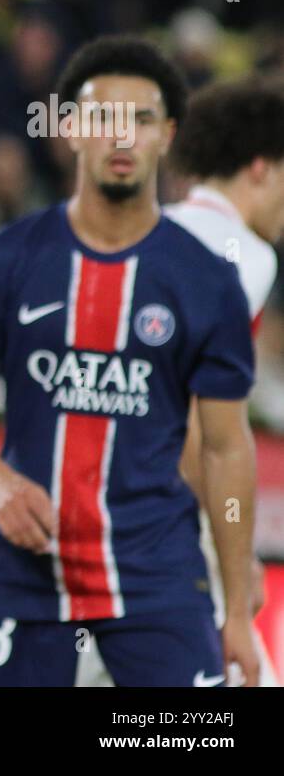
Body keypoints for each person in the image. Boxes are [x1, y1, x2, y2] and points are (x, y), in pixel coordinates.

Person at [0, 35, 260, 687]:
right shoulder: (7, 259)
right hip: (22, 575)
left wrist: (236, 609)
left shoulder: (207, 279)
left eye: (142, 119)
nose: (123, 137)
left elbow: (227, 449)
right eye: (101, 117)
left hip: (156, 577)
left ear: (168, 135)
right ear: (70, 129)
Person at [74, 76, 284, 687]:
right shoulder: (245, 254)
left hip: (90, 508)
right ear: (260, 168)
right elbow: (204, 425)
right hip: (161, 525)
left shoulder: (155, 229)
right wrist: (232, 557)